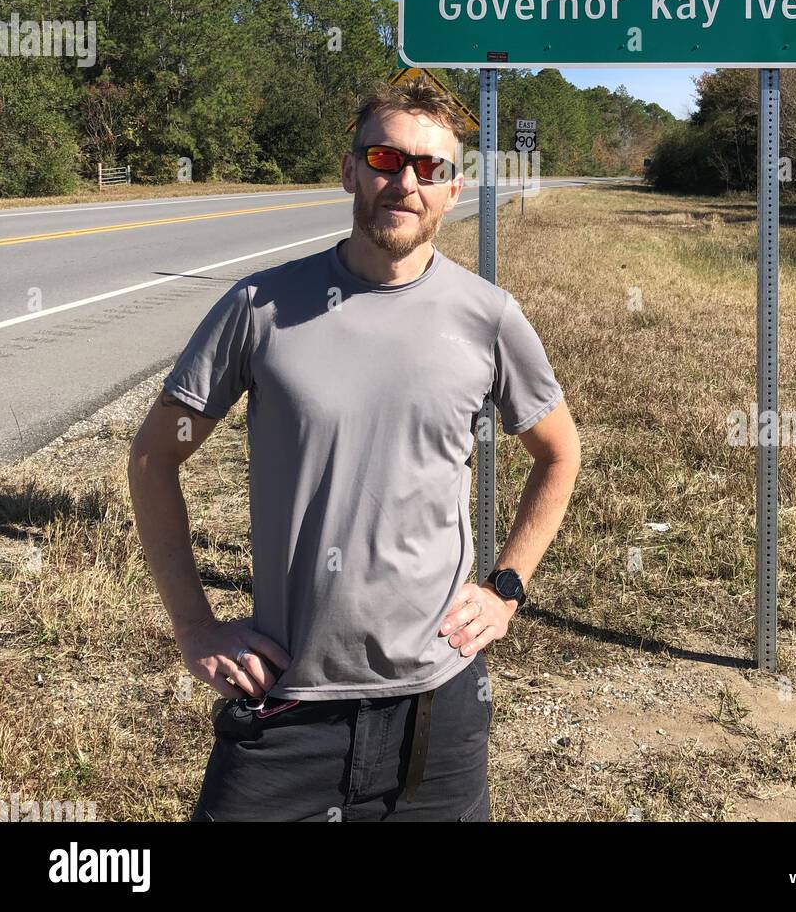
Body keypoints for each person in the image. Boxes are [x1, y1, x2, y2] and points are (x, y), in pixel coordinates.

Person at [128, 76, 581, 822]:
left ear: (453, 188)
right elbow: (154, 457)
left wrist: (505, 589)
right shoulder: (259, 308)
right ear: (349, 171)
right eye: (384, 157)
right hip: (284, 699)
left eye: (429, 168)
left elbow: (558, 452)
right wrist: (195, 626)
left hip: (437, 704)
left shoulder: (487, 317)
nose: (405, 181)